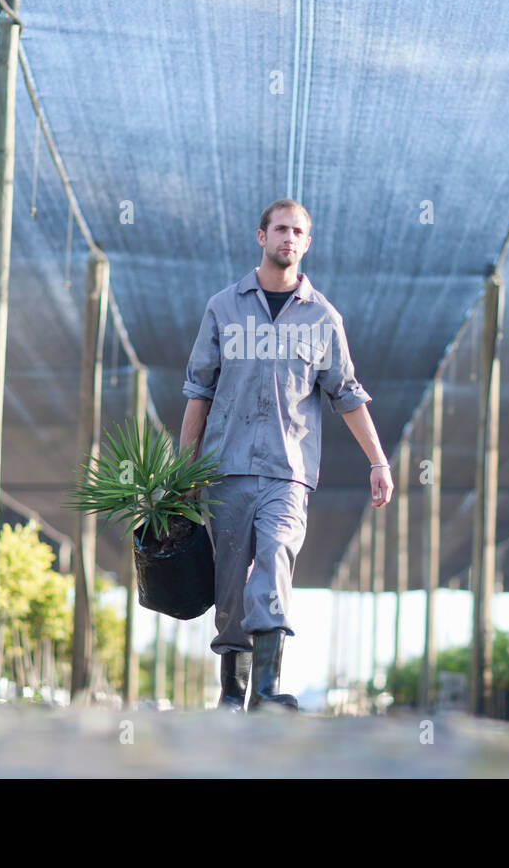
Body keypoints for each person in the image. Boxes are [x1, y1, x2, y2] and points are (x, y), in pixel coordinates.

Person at [179, 198, 393, 712]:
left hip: (288, 475)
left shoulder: (322, 317)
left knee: (274, 561)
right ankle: (232, 692)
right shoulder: (223, 308)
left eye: (298, 231)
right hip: (225, 471)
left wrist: (378, 460)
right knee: (230, 584)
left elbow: (347, 392)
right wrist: (182, 475)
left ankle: (269, 690)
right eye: (280, 229)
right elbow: (198, 393)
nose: (289, 238)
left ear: (307, 242)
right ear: (261, 236)